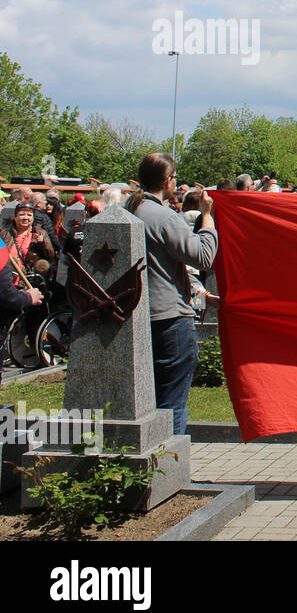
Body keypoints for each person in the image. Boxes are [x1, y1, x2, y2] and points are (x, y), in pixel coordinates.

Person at [123, 153, 218, 437]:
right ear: (168, 181)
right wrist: (208, 219)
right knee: (172, 403)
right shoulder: (163, 216)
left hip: (136, 317)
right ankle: (168, 468)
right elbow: (202, 257)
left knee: (146, 404)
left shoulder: (130, 210)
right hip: (170, 319)